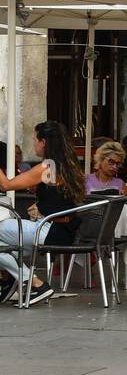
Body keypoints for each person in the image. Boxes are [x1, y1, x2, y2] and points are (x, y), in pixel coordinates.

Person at [0, 121, 87, 305]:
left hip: (49, 230)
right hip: (62, 231)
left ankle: (35, 284)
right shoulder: (63, 165)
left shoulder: (46, 167)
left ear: (44, 142)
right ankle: (11, 280)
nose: (33, 143)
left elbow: (6, 185)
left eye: (34, 139)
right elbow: (54, 193)